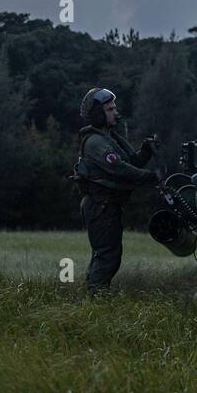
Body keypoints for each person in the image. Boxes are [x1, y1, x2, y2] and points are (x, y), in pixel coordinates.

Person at [72, 87, 160, 293]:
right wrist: (151, 176)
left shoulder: (110, 138)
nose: (115, 112)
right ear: (97, 113)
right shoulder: (95, 142)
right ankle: (96, 299)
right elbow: (120, 168)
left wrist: (146, 150)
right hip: (100, 206)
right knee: (107, 256)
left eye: (114, 108)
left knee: (108, 254)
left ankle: (94, 296)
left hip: (107, 207)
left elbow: (132, 162)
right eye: (110, 109)